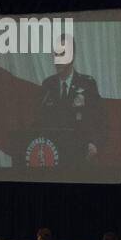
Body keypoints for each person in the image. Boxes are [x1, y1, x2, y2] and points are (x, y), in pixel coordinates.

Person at [35, 38, 101, 167]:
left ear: (73, 56)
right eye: (56, 54)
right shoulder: (48, 85)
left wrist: (94, 143)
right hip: (53, 155)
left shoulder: (87, 84)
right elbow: (40, 120)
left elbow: (100, 119)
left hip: (81, 154)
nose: (58, 59)